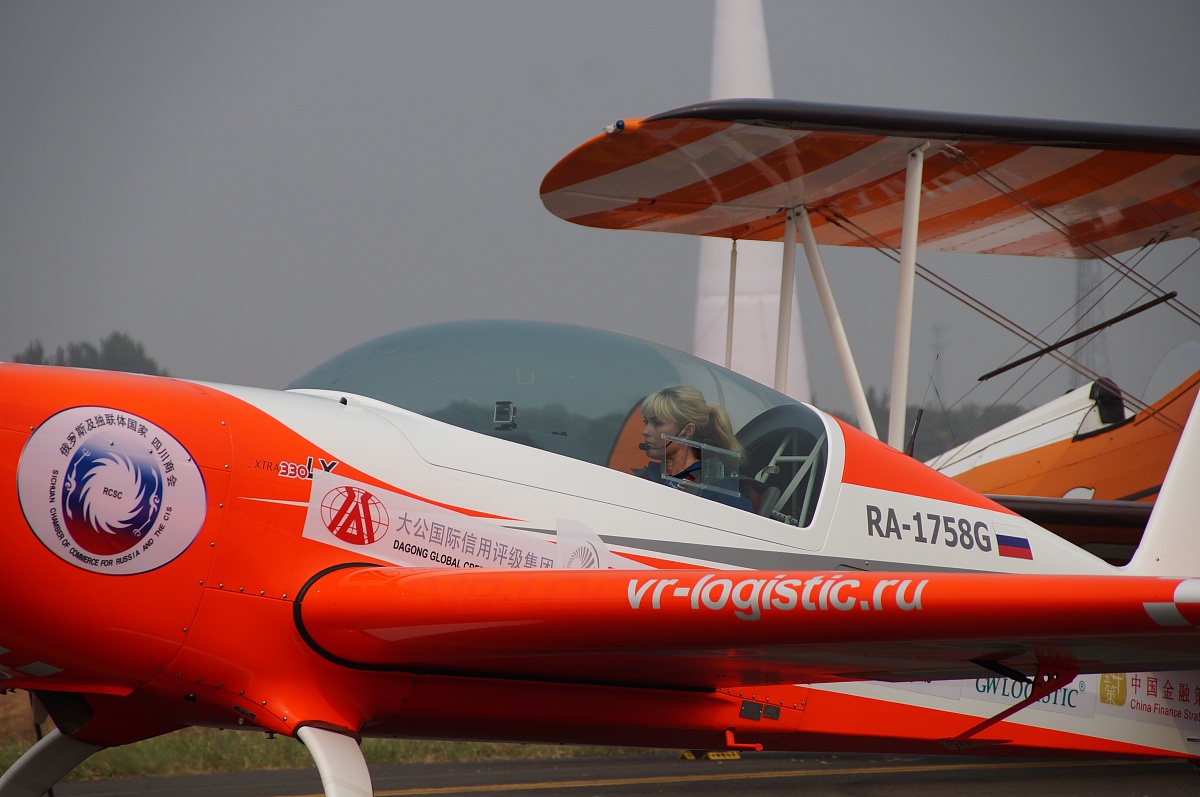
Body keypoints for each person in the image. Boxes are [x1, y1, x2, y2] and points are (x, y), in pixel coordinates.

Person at [638, 385, 752, 511]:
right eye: (646, 422)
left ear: (687, 431)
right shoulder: (645, 478)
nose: (645, 431)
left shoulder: (721, 493)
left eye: (657, 423)